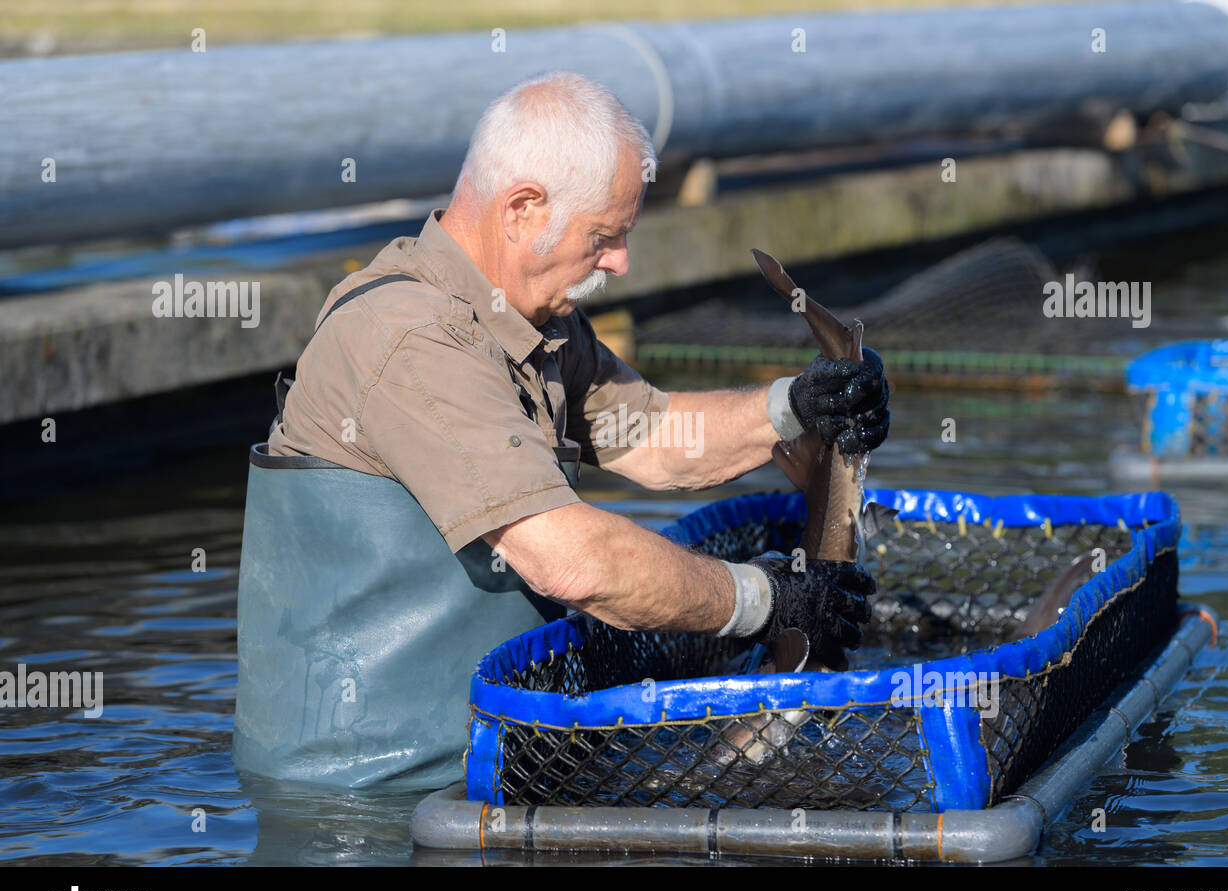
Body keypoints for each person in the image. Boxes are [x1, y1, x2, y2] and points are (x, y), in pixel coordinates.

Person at [233, 71, 889, 789]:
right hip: (363, 801)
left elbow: (656, 437)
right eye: (603, 238)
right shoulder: (407, 338)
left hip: (495, 763)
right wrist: (766, 601)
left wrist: (798, 405)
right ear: (521, 209)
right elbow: (568, 561)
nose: (621, 263)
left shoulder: (535, 321)